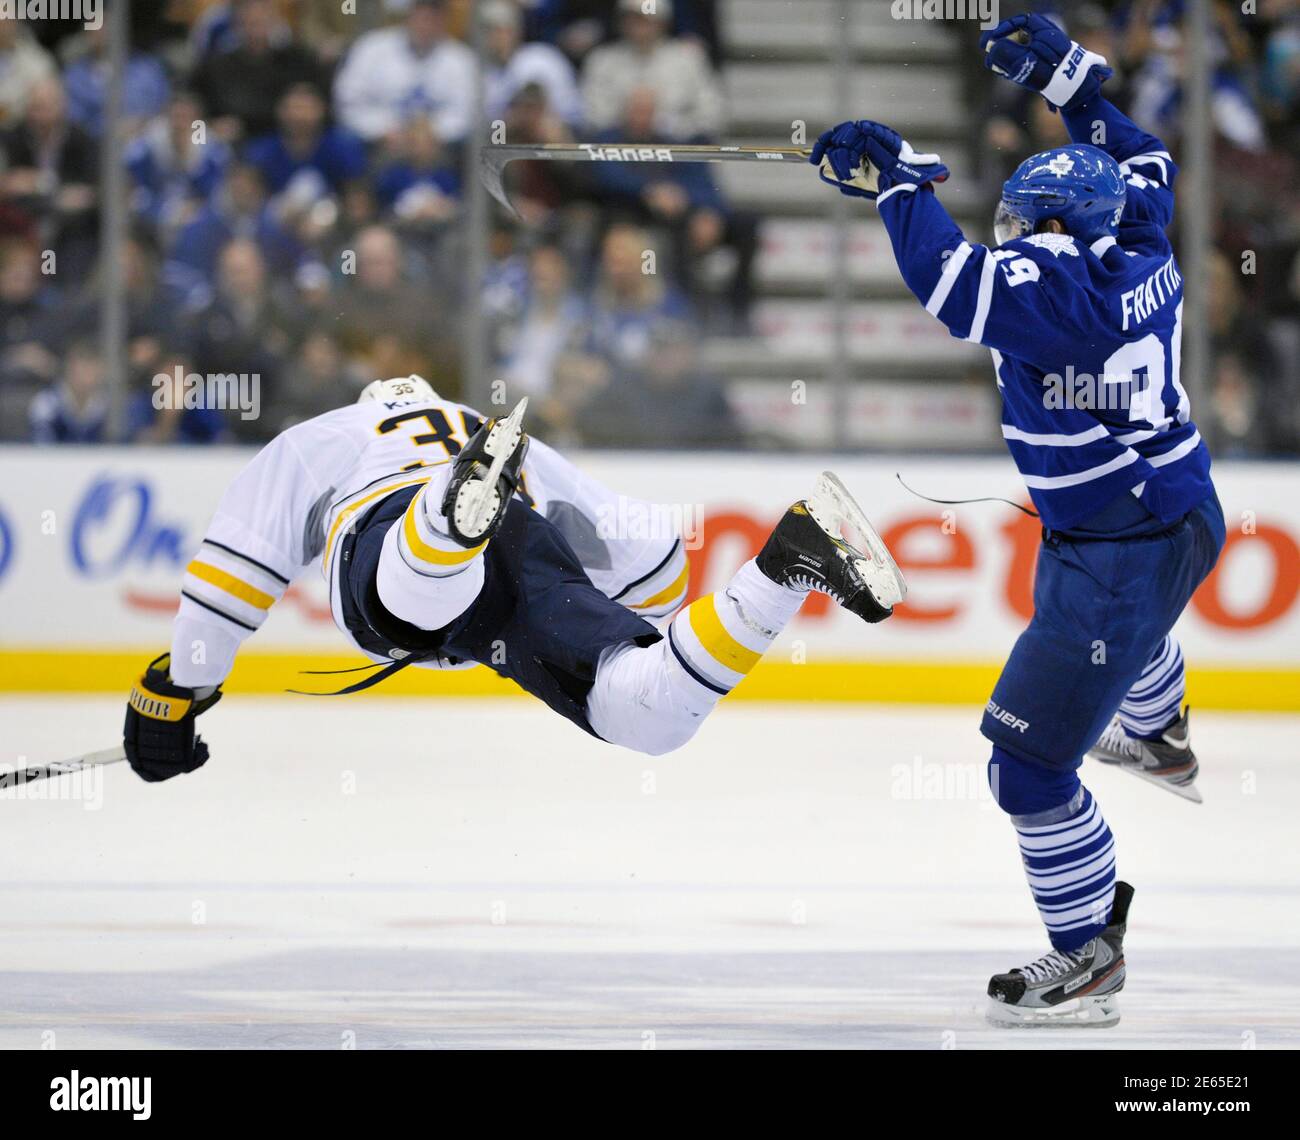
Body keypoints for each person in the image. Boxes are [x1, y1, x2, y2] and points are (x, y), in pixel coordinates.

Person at [812, 12, 1225, 1027]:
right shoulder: (1135, 237)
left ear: (1046, 233)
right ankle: (1158, 729)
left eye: (1025, 225)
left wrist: (904, 182)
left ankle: (1087, 958)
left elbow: (949, 285)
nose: (1015, 239)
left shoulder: (1054, 288)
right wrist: (1072, 80)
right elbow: (1145, 157)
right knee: (1127, 625)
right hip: (1169, 512)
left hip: (1116, 551)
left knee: (1028, 767)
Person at [121, 377, 907, 809]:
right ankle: (781, 566)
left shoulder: (324, 435)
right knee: (648, 714)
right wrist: (654, 631)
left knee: (401, 613)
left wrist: (177, 692)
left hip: (389, 527)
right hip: (526, 548)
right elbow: (646, 543)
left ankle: (442, 526)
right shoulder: (474, 420)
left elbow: (232, 579)